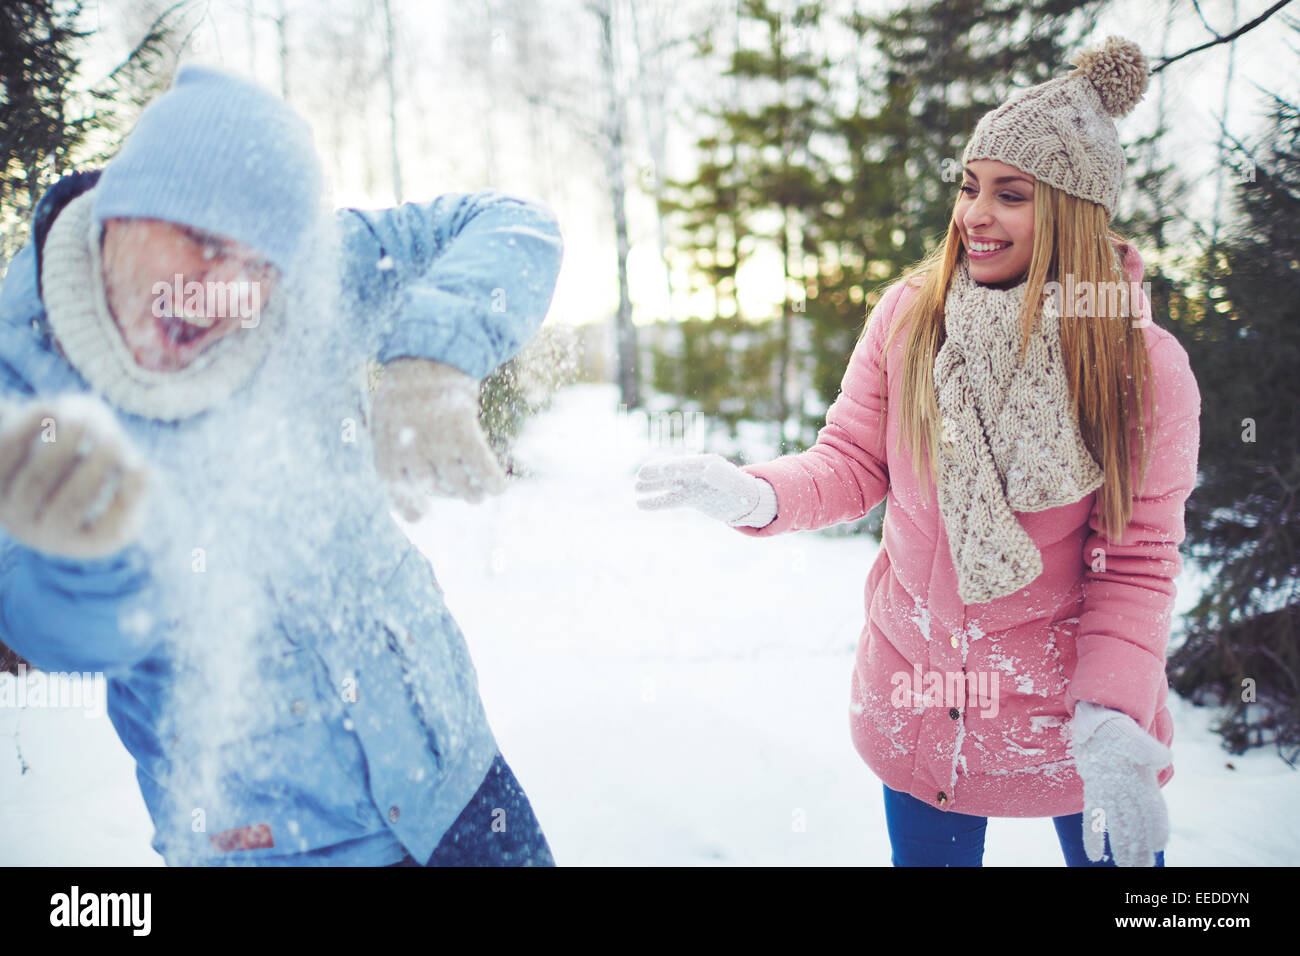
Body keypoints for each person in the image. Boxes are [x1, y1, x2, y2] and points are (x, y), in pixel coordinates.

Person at [635, 37, 1200, 867]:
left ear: (1074, 213)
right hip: (923, 702)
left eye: (1012, 195)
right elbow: (853, 461)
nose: (974, 214)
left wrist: (1113, 719)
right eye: (970, 187)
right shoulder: (911, 316)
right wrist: (756, 493)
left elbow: (1138, 562)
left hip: (1077, 722)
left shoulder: (1139, 365)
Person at [0, 63, 563, 866]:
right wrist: (88, 560)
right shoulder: (24, 385)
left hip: (458, 788)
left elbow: (512, 222)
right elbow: (47, 632)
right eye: (200, 242)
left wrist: (433, 355)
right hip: (268, 846)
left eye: (257, 266)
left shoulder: (313, 283)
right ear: (120, 214)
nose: (221, 292)